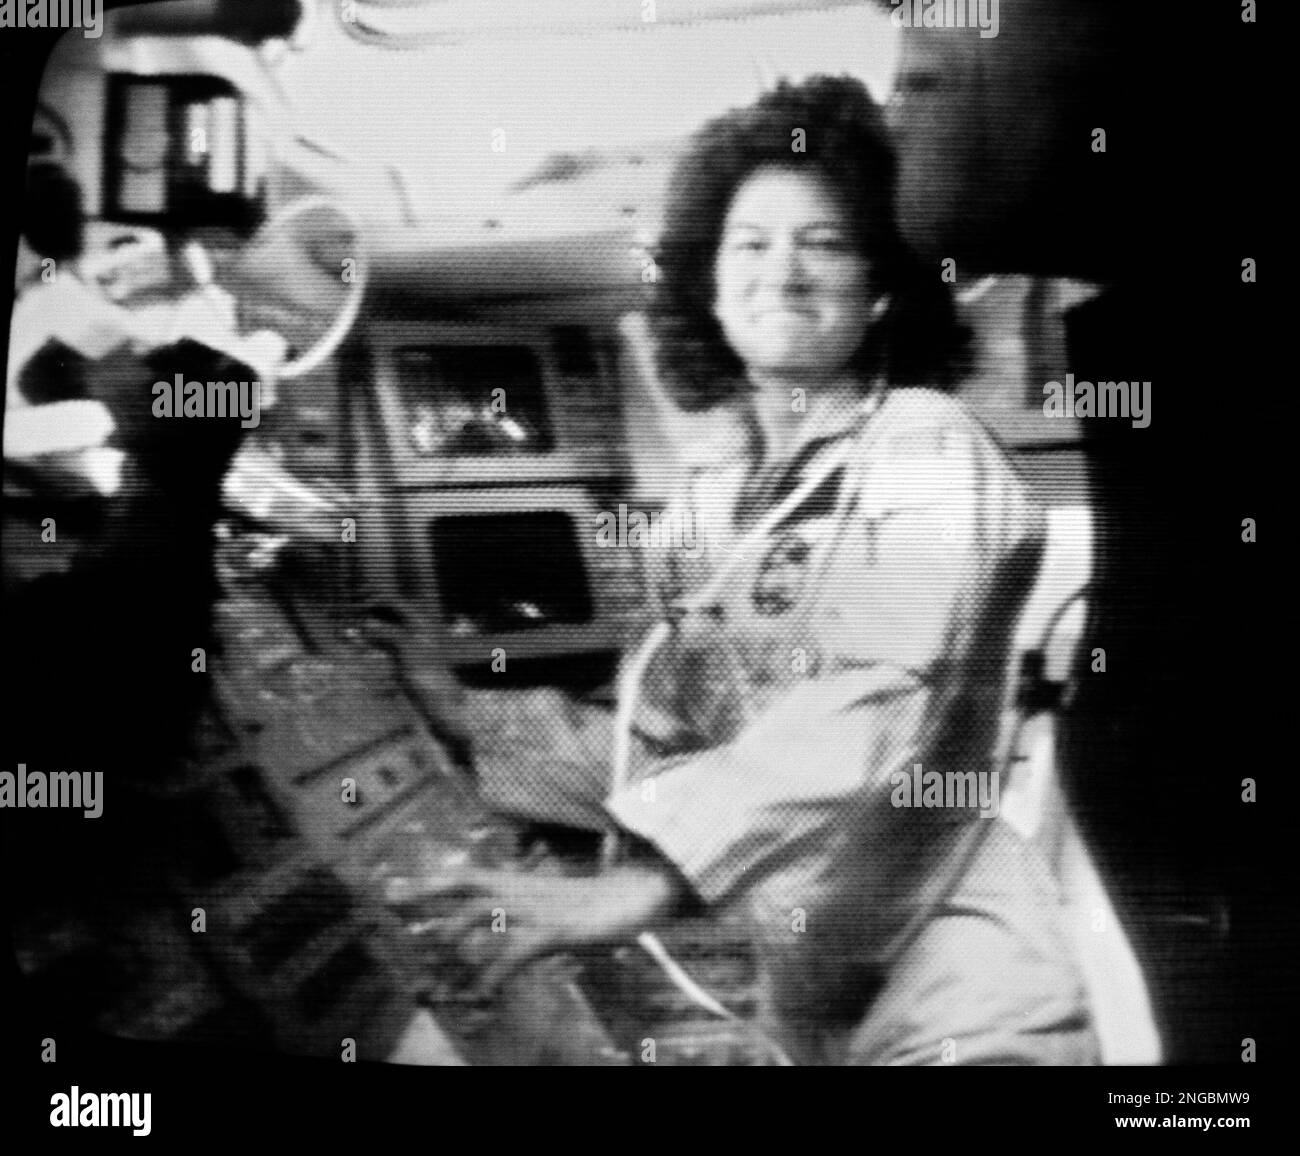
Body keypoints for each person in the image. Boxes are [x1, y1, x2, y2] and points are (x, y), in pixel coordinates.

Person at [387, 76, 1099, 1065]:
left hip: (964, 1001)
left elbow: (885, 689)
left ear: (881, 287)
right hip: (813, 996)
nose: (784, 271)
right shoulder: (708, 511)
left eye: (826, 244)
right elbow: (664, 749)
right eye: (750, 244)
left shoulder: (925, 446)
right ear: (710, 290)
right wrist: (466, 718)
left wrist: (642, 885)